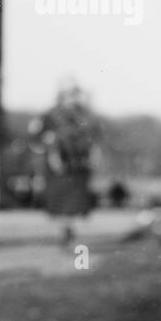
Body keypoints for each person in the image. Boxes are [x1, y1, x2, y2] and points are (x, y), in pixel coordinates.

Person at [28, 80, 101, 246]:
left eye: (75, 95)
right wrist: (50, 144)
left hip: (78, 165)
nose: (73, 99)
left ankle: (69, 228)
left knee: (74, 201)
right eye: (70, 95)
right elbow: (35, 139)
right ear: (61, 96)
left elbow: (94, 135)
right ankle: (65, 229)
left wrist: (91, 153)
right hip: (57, 165)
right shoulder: (48, 116)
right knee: (61, 200)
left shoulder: (85, 115)